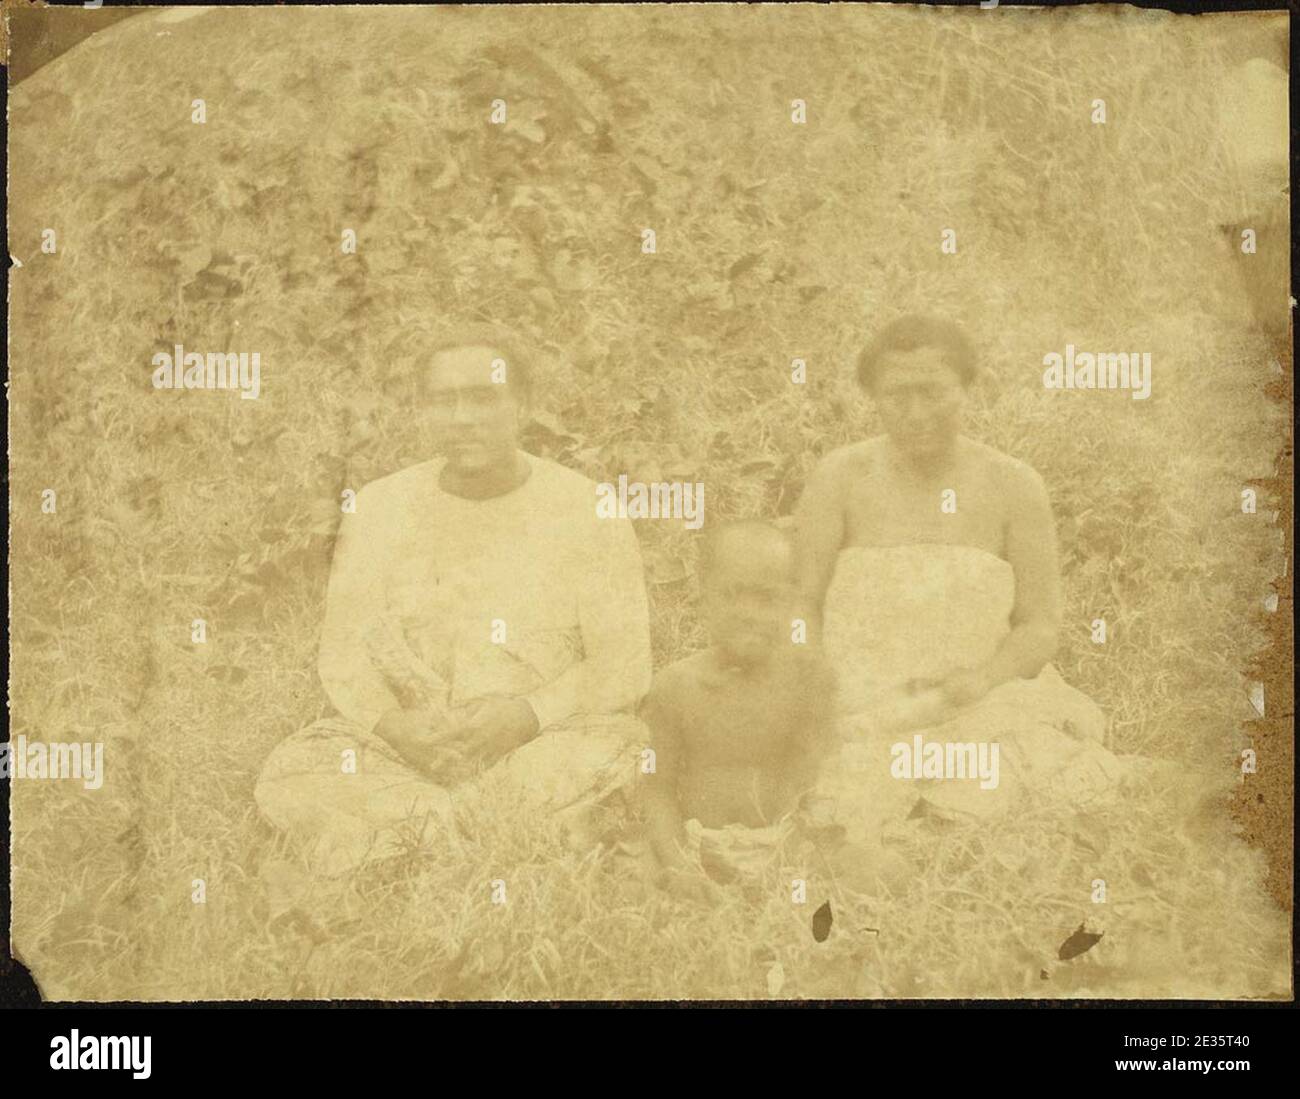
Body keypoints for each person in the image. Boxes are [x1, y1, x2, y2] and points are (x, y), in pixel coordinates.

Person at [255, 325, 653, 878]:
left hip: (538, 745)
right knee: (293, 768)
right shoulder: (379, 508)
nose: (464, 417)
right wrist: (398, 728)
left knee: (628, 751)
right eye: (446, 401)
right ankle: (490, 834)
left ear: (523, 406)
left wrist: (524, 716)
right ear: (423, 412)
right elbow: (343, 656)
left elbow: (623, 664)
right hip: (414, 751)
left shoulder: (590, 509)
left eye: (485, 397)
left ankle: (413, 841)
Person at [794, 315, 1123, 839]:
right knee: (827, 800)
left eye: (934, 392)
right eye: (896, 396)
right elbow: (801, 608)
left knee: (1000, 790)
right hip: (860, 702)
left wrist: (983, 679)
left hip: (975, 698)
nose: (917, 413)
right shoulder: (839, 478)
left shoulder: (1014, 486)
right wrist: (819, 691)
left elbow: (1039, 626)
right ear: (873, 397)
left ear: (968, 388)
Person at [640, 521, 837, 896]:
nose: (747, 612)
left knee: (879, 869)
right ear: (703, 601)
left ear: (792, 603)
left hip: (787, 848)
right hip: (700, 847)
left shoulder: (809, 682)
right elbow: (656, 789)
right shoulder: (675, 686)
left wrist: (787, 863)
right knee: (633, 882)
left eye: (766, 598)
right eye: (731, 594)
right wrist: (680, 865)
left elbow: (815, 789)